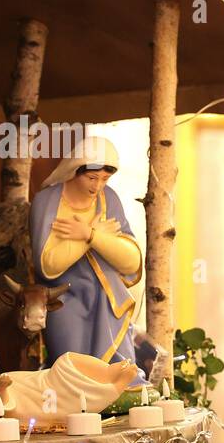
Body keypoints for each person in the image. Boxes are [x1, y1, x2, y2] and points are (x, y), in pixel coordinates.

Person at [30, 136, 145, 377]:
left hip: (107, 297)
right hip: (65, 298)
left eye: (104, 179)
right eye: (92, 178)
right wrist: (85, 240)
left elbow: (132, 260)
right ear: (74, 170)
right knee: (71, 372)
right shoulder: (47, 202)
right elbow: (47, 265)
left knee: (121, 374)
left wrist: (91, 235)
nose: (97, 186)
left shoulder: (108, 199)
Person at [0, 337, 137, 421]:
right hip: (49, 397)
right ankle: (114, 382)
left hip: (46, 383)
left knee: (67, 362)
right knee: (66, 364)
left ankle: (108, 373)